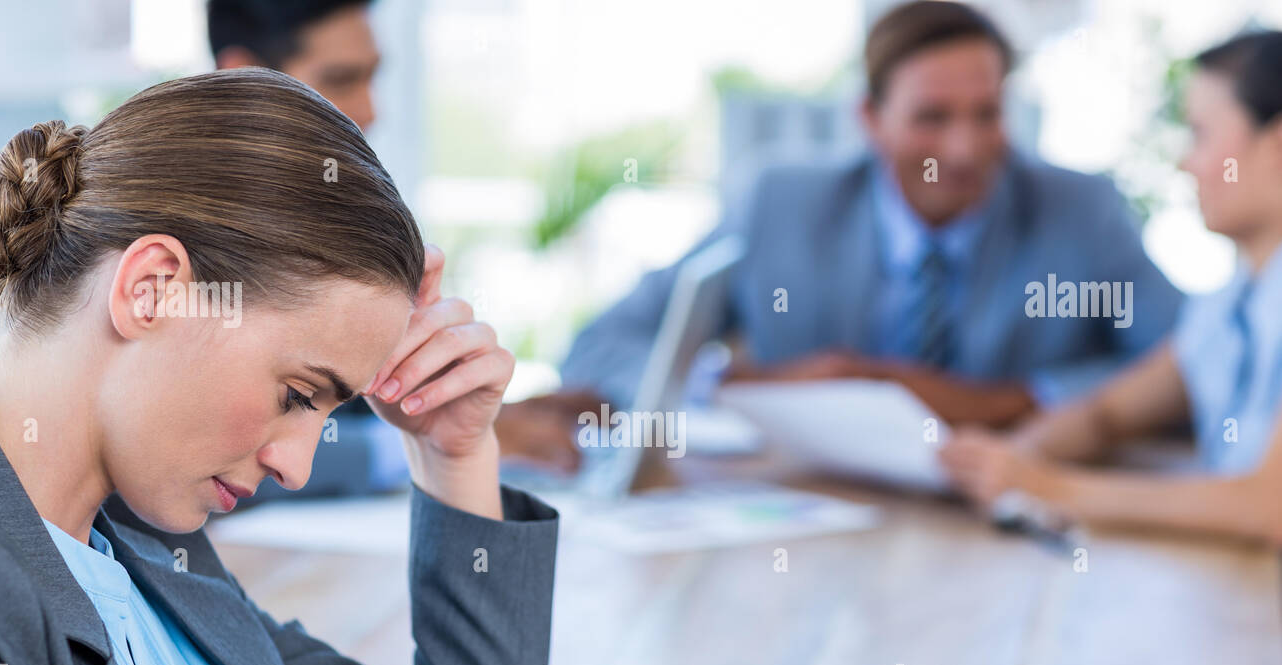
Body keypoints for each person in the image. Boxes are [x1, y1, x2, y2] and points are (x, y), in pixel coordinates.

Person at [0, 69, 558, 665]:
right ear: (152, 291)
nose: (296, 467)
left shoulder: (150, 569)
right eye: (297, 393)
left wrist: (451, 452)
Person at [507, 0, 1184, 469]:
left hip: (1009, 516)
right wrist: (741, 384)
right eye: (932, 117)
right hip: (823, 519)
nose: (965, 148)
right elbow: (602, 344)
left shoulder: (1079, 209)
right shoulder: (782, 204)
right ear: (869, 117)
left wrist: (1015, 400)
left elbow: (1196, 362)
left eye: (987, 113)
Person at [208, 0, 584, 490]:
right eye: (342, 79)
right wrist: (400, 450)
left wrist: (459, 420)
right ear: (245, 74)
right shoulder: (194, 240)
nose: (369, 111)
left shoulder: (324, 219)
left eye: (372, 78)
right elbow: (199, 444)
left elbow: (335, 408)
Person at [940, 31, 1282, 546]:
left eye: (1200, 134)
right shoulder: (1228, 307)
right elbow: (1106, 415)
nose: (1185, 163)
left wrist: (1050, 487)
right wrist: (1002, 461)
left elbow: (1268, 506)